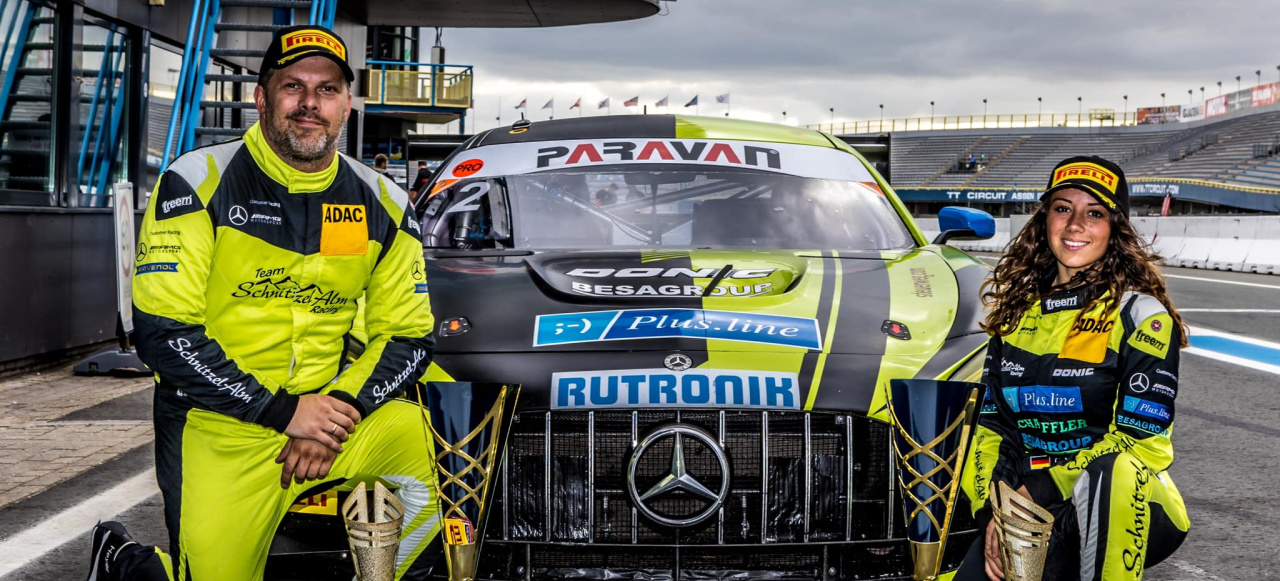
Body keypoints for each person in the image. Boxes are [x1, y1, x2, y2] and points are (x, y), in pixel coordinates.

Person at [85, 25, 440, 581]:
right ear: (261, 98)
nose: (309, 104)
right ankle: (125, 560)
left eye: (326, 90)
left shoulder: (386, 203)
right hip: (218, 427)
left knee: (439, 458)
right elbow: (163, 333)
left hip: (331, 418)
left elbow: (409, 334)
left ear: (347, 104)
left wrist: (331, 418)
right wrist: (286, 414)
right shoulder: (196, 182)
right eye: (292, 87)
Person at [956, 156, 1190, 581]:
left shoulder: (1140, 316)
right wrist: (996, 508)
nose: (1076, 224)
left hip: (1117, 500)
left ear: (1114, 229)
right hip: (1025, 500)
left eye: (1094, 213)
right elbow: (992, 428)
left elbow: (1145, 446)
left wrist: (1041, 491)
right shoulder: (1014, 316)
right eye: (1063, 208)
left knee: (1113, 470)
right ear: (1044, 220)